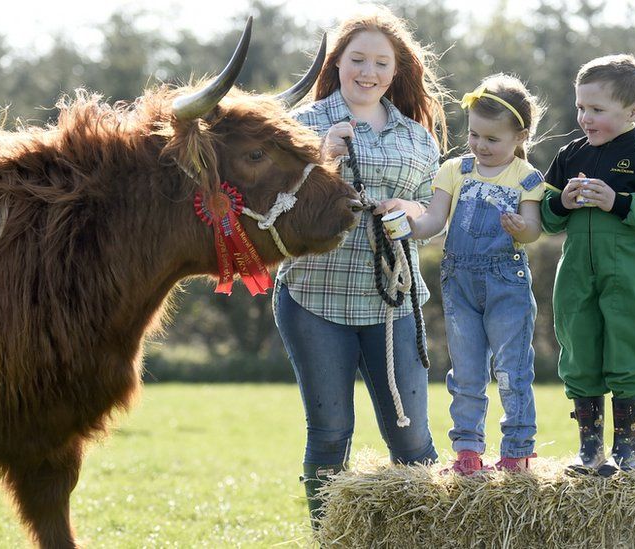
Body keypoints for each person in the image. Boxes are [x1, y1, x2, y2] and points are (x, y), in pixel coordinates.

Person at [272, 4, 447, 527]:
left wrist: (412, 213)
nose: (368, 73)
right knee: (329, 431)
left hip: (394, 301)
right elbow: (276, 209)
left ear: (397, 72)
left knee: (412, 435)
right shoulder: (299, 126)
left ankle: (425, 537)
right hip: (314, 298)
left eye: (380, 63)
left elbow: (430, 218)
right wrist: (321, 157)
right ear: (337, 63)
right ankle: (330, 538)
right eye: (357, 60)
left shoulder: (419, 137)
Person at [380, 73, 545, 475]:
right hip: (460, 281)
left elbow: (535, 230)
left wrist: (519, 230)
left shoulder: (527, 177)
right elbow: (435, 219)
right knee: (466, 371)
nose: (481, 145)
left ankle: (517, 451)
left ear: (519, 137)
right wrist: (409, 227)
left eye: (493, 139)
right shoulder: (455, 170)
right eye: (474, 134)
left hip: (507, 281)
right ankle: (468, 452)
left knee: (512, 369)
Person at [540, 54, 635, 476]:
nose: (585, 117)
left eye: (597, 110)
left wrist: (618, 201)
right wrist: (562, 202)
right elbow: (546, 217)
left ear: (632, 112)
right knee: (579, 352)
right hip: (575, 274)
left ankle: (629, 450)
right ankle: (590, 451)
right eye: (581, 107)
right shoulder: (570, 154)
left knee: (627, 350)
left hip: (627, 273)